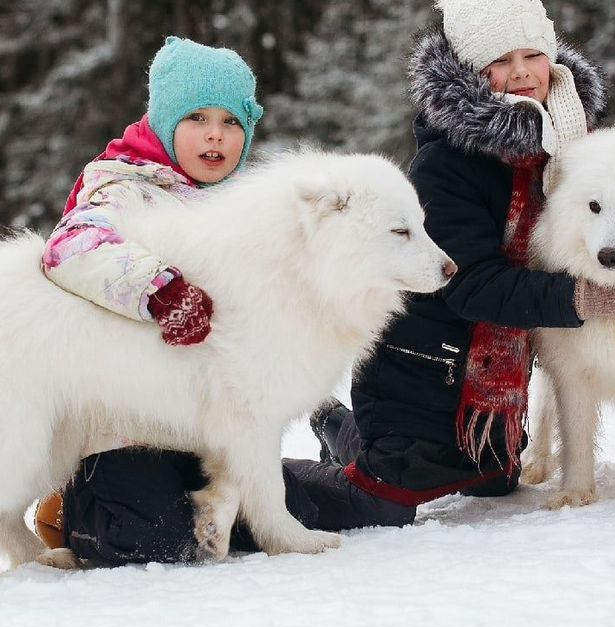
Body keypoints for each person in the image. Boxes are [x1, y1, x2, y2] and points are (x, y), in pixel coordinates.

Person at [309, 0, 615, 510]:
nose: (523, 73)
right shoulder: (445, 164)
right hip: (423, 376)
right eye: (500, 61)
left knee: (493, 481)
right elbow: (472, 284)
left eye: (531, 54)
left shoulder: (569, 139)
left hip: (491, 391)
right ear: (472, 72)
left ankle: (342, 432)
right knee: (380, 500)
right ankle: (283, 467)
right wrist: (591, 299)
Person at [34, 35, 413, 565]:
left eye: (232, 122)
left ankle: (322, 452)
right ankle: (75, 511)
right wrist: (160, 291)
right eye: (196, 118)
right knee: (153, 542)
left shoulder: (242, 206)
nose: (215, 135)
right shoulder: (121, 184)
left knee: (340, 513)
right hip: (123, 431)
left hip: (212, 432)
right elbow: (70, 248)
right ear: (164, 122)